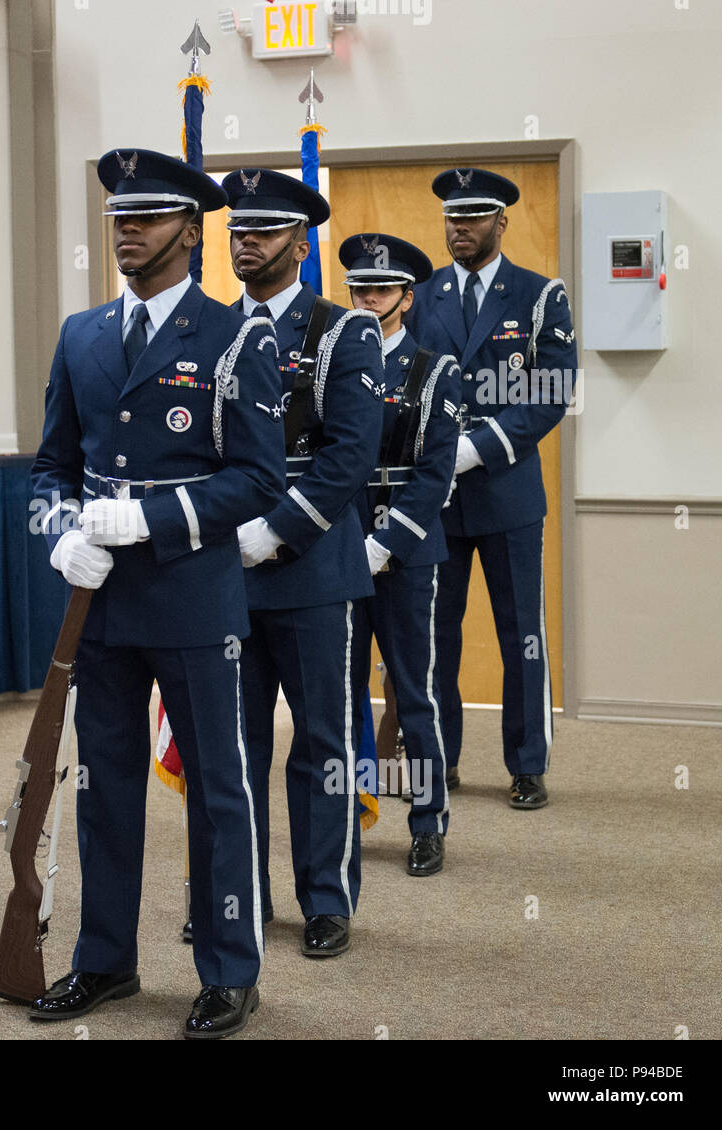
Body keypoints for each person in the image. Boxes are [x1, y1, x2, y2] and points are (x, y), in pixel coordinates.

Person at [28, 149, 285, 1039]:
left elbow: (259, 479)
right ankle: (105, 960)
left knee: (218, 787)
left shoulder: (238, 337)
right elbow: (53, 466)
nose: (126, 231)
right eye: (117, 219)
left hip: (189, 594)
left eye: (144, 217)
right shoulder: (82, 333)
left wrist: (153, 522)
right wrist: (59, 534)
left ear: (189, 226)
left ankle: (228, 970)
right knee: (103, 785)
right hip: (99, 603)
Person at [223, 168, 383, 959]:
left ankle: (326, 898)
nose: (243, 241)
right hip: (220, 573)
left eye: (261, 231)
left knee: (322, 741)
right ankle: (236, 897)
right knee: (233, 747)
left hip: (314, 569)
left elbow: (350, 455)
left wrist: (276, 531)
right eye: (235, 230)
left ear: (298, 241)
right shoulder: (211, 329)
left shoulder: (343, 332)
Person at [404, 168, 578, 809]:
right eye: (452, 218)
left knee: (520, 634)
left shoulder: (538, 296)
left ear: (501, 223)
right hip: (433, 501)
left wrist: (476, 448)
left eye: (473, 218)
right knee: (434, 635)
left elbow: (554, 390)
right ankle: (439, 761)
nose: (460, 229)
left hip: (505, 492)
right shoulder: (419, 298)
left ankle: (527, 763)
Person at [340, 232, 462, 876]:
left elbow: (435, 474)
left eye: (380, 289)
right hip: (337, 545)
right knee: (342, 693)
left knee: (414, 691)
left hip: (405, 549)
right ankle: (349, 811)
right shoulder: (330, 363)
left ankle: (426, 818)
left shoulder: (434, 371)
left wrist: (383, 546)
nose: (366, 298)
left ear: (406, 299)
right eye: (358, 288)